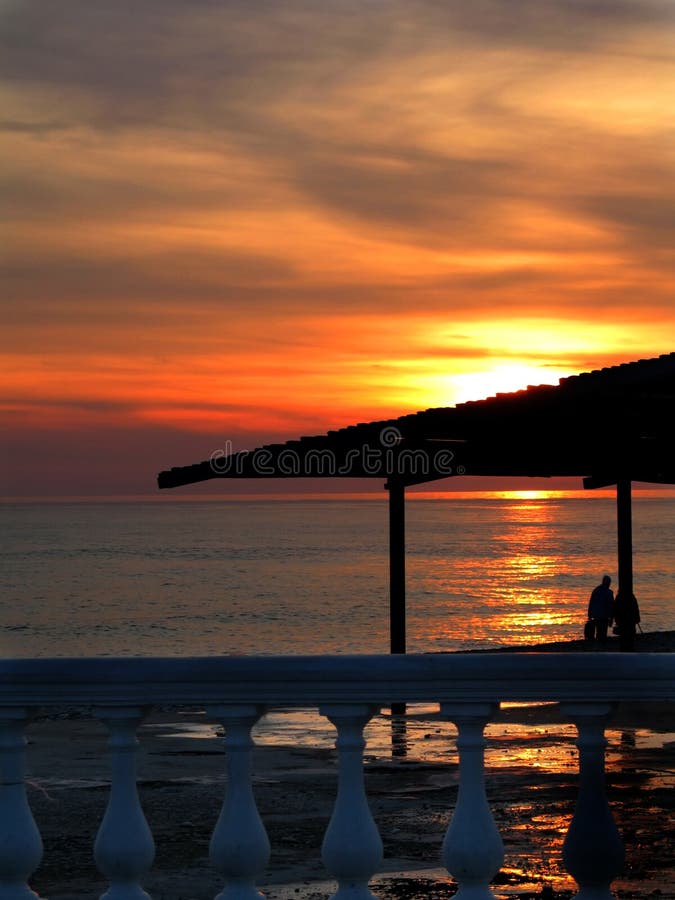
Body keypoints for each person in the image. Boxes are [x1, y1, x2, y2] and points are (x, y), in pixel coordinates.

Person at [587, 575, 614, 642]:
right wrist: (611, 618)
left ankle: (598, 645)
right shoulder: (609, 593)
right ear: (609, 583)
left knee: (598, 632)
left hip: (596, 615)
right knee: (602, 633)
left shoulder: (596, 590)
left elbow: (591, 603)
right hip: (604, 616)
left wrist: (589, 614)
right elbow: (611, 606)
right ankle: (601, 645)